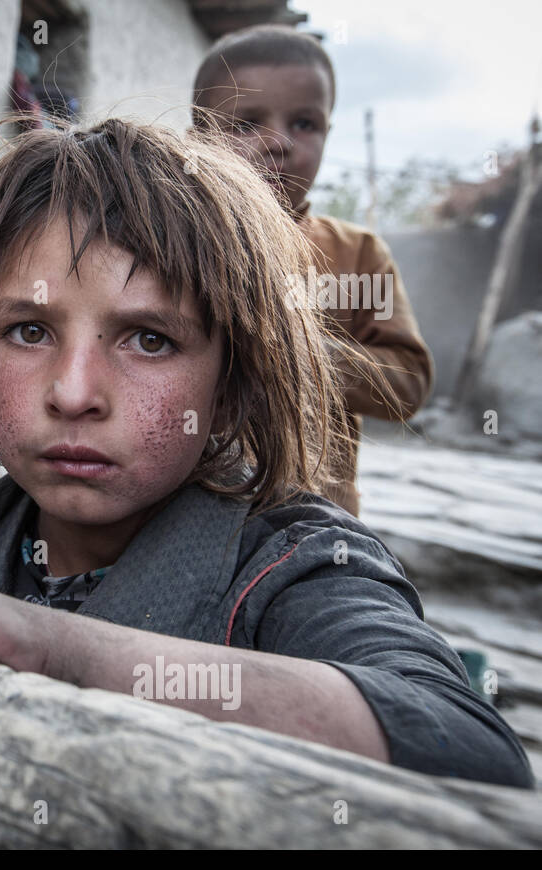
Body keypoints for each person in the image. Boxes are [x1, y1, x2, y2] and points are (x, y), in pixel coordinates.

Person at [0, 119, 534, 789]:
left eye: (149, 339)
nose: (74, 392)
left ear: (232, 382)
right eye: (30, 331)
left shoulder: (295, 568)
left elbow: (470, 753)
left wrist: (47, 643)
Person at [192, 24, 434, 515]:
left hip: (314, 516)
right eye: (245, 124)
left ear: (328, 132)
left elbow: (408, 385)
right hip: (181, 505)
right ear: (196, 137)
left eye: (304, 123)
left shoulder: (357, 255)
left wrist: (304, 351)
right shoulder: (166, 241)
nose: (278, 142)